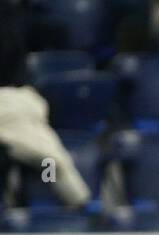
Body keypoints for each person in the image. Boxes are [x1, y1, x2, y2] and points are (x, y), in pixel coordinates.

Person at [0, 4, 91, 210]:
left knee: (46, 159)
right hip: (14, 109)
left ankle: (54, 203)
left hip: (15, 103)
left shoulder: (9, 16)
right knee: (46, 158)